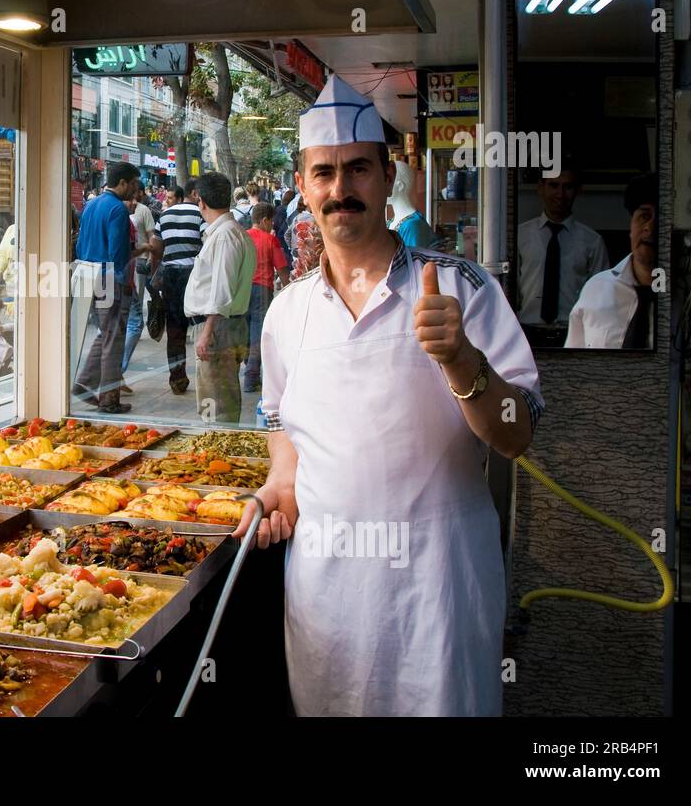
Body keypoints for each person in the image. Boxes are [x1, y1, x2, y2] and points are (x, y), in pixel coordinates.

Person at [242, 74, 543, 716]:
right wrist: (272, 496)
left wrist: (461, 359)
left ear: (386, 178)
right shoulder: (285, 316)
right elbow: (288, 459)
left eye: (357, 170)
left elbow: (517, 434)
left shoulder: (462, 287)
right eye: (323, 173)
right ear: (302, 186)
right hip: (327, 603)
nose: (339, 189)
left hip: (440, 592)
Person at [184, 172, 256, 423]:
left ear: (200, 200)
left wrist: (207, 332)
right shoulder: (228, 232)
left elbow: (221, 290)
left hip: (218, 326)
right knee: (214, 399)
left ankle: (220, 457)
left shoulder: (226, 235)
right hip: (223, 325)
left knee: (217, 404)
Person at [71, 163, 139, 413]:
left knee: (106, 332)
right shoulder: (118, 210)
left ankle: (85, 383)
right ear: (122, 183)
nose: (135, 190)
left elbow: (79, 244)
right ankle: (109, 400)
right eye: (133, 184)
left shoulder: (90, 205)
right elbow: (118, 254)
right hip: (109, 278)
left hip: (89, 274)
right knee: (113, 338)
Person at [566, 173, 658, 349]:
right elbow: (575, 365)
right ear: (631, 225)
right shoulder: (596, 289)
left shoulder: (689, 296)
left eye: (660, 219)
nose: (650, 228)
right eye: (644, 216)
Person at [516, 165, 609, 335]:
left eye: (567, 186)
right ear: (541, 188)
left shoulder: (593, 242)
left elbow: (600, 297)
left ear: (577, 190)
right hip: (527, 331)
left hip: (573, 332)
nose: (560, 194)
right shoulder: (520, 236)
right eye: (553, 185)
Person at [150, 179, 206, 394]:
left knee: (175, 330)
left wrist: (157, 276)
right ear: (193, 195)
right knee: (201, 325)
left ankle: (177, 379)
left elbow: (156, 247)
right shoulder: (200, 214)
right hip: (194, 275)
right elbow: (206, 242)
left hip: (171, 275)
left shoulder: (164, 216)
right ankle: (204, 378)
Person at [242, 201, 290, 392]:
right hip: (262, 290)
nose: (272, 226)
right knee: (257, 334)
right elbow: (283, 270)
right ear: (264, 220)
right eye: (271, 222)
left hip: (242, 290)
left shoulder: (242, 237)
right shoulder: (270, 240)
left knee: (245, 332)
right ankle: (251, 377)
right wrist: (289, 292)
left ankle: (249, 368)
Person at [120, 181, 158, 386]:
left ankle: (109, 373)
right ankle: (115, 372)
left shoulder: (143, 211)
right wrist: (144, 248)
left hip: (132, 268)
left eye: (136, 197)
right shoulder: (119, 214)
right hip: (123, 273)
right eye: (131, 198)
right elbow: (125, 250)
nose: (134, 202)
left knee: (115, 323)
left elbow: (151, 234)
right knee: (133, 322)